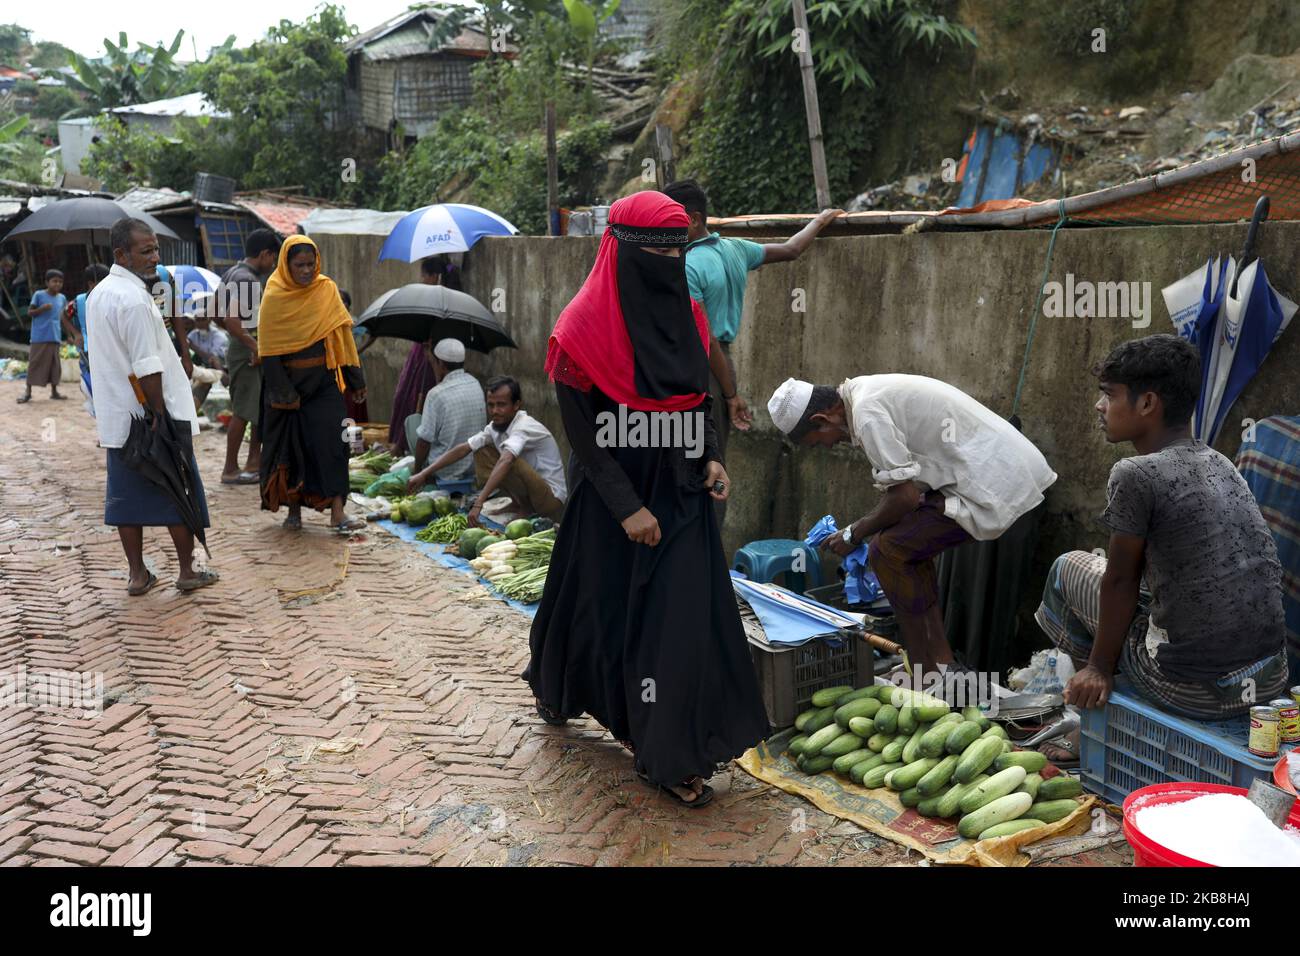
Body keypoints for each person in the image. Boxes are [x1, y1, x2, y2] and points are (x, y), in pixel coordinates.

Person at [523, 191, 770, 807]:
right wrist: (627, 508)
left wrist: (711, 456)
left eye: (677, 245)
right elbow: (582, 432)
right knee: (596, 606)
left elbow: (697, 398)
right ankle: (563, 686)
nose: (668, 257)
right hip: (615, 495)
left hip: (683, 490)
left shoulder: (689, 313)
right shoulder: (581, 328)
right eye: (656, 247)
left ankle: (670, 755)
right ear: (623, 249)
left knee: (681, 620)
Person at [1035, 335, 1287, 747]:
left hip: (1195, 690)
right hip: (1269, 678)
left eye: (1110, 395)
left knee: (1067, 569)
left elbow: (1119, 582)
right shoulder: (1219, 462)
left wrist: (1098, 665)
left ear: (1147, 403)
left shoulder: (1134, 474)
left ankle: (1095, 719)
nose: (1100, 407)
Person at [769, 374, 1057, 684]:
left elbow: (903, 497)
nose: (825, 447)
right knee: (903, 546)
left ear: (822, 419)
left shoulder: (866, 414)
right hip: (992, 472)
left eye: (816, 442)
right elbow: (904, 490)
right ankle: (942, 664)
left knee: (887, 551)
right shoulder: (863, 396)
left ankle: (924, 672)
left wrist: (853, 533)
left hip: (996, 479)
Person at [662, 179, 842, 522]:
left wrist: (730, 394)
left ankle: (704, 545)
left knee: (699, 459)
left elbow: (705, 340)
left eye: (672, 220)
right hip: (721, 362)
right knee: (712, 455)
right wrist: (820, 221)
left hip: (700, 365)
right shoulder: (734, 249)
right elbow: (791, 249)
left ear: (695, 219)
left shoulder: (686, 266)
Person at [87, 218, 216, 595]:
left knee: (126, 497)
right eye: (146, 251)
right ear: (121, 254)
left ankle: (137, 574)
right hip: (152, 416)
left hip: (118, 418)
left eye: (156, 249)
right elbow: (147, 365)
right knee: (177, 490)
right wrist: (160, 414)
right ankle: (188, 572)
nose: (155, 258)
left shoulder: (101, 293)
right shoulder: (134, 300)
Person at [256, 236, 367, 534]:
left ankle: (338, 513)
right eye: (299, 265)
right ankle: (293, 511)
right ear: (286, 265)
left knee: (335, 446)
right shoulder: (275, 295)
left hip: (323, 384)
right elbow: (267, 350)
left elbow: (342, 339)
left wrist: (355, 379)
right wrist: (283, 393)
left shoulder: (326, 290)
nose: (306, 270)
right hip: (288, 389)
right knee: (292, 451)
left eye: (310, 264)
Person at [408, 376, 566, 525]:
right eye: (491, 405)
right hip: (531, 492)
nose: (495, 411)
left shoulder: (523, 426)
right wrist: (424, 473)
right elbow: (463, 449)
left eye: (501, 405)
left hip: (550, 498)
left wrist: (478, 503)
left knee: (509, 459)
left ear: (516, 405)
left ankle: (526, 509)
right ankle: (518, 504)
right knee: (481, 450)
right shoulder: (495, 427)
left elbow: (507, 460)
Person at [217, 228, 282, 485]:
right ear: (265, 254)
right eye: (274, 258)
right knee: (243, 411)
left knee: (253, 408)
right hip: (247, 351)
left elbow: (216, 314)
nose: (274, 264)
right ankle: (230, 469)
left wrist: (240, 340)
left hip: (240, 347)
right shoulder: (248, 280)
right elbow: (232, 321)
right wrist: (254, 346)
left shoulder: (232, 272)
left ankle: (252, 463)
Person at [387, 255, 458, 453]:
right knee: (406, 394)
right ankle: (405, 444)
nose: (422, 279)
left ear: (435, 276)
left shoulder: (444, 298)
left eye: (424, 275)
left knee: (420, 396)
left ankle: (412, 445)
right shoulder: (433, 296)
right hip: (422, 351)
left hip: (431, 353)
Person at [409, 338, 484, 479]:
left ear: (441, 364)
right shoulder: (475, 384)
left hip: (443, 471)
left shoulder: (435, 394)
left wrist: (418, 472)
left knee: (417, 435)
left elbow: (424, 441)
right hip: (473, 468)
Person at [18, 269, 75, 404]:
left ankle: (54, 392)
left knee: (55, 365)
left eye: (60, 282)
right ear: (47, 282)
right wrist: (42, 309)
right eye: (54, 281)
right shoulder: (39, 295)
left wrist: (69, 335)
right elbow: (30, 312)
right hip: (39, 336)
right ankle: (28, 392)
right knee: (34, 363)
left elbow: (64, 319)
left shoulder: (62, 298)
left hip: (54, 336)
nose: (57, 284)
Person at [66, 263, 110, 397]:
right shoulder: (79, 302)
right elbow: (64, 315)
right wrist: (75, 334)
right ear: (91, 283)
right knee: (92, 383)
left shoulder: (110, 298)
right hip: (87, 349)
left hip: (107, 346)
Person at [338, 289, 370, 424]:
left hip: (352, 369)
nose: (340, 303)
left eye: (343, 301)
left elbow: (371, 333)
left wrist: (357, 351)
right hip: (339, 369)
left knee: (353, 404)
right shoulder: (329, 322)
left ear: (348, 305)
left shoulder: (354, 323)